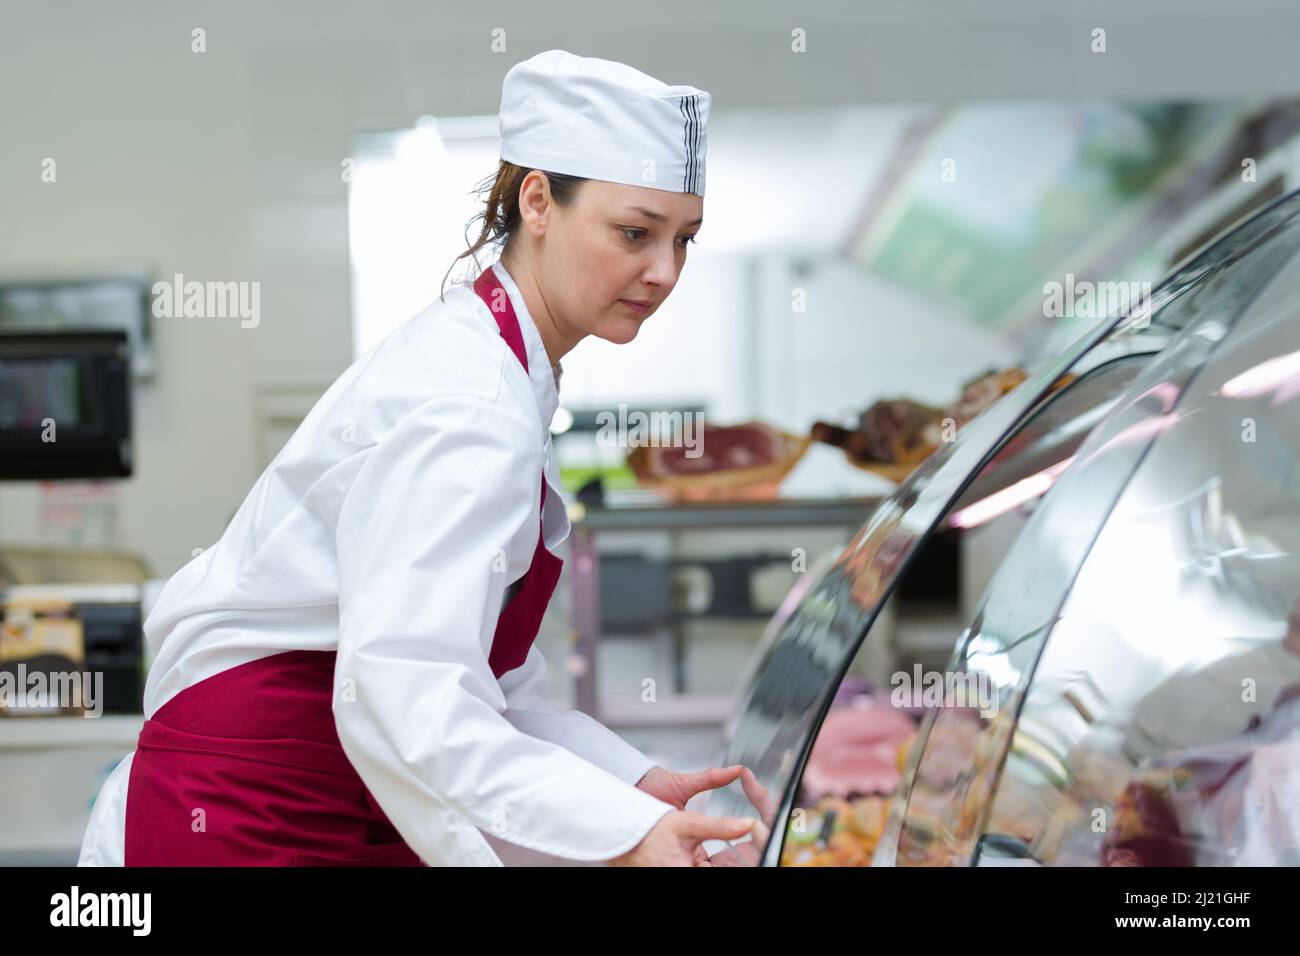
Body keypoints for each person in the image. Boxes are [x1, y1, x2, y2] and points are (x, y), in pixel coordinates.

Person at [77, 49, 756, 867]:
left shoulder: (499, 369)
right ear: (537, 202)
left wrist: (623, 785)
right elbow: (411, 699)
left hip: (334, 783)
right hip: (254, 805)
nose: (663, 272)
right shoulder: (466, 402)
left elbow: (479, 685)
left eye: (684, 239)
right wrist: (618, 837)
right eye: (635, 233)